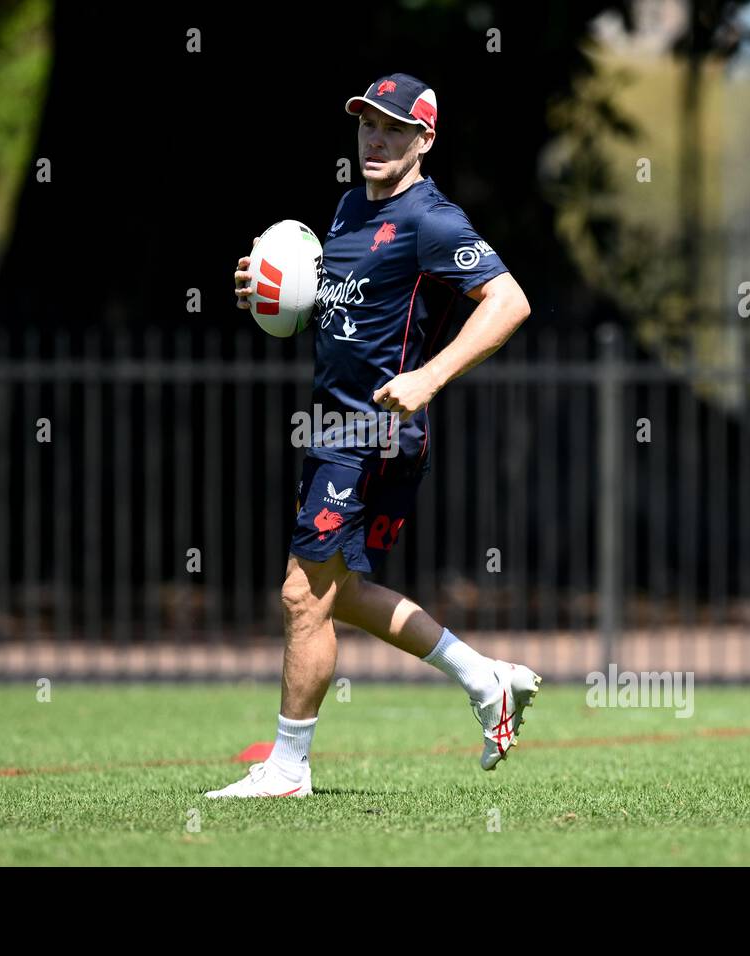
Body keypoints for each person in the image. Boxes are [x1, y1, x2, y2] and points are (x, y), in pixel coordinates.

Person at [210, 73, 537, 798]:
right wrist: (272, 294)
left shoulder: (433, 219)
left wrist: (429, 377)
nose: (376, 139)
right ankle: (485, 680)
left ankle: (288, 768)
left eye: (393, 128)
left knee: (302, 595)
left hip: (373, 429)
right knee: (341, 594)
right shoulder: (349, 206)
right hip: (339, 423)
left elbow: (509, 301)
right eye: (367, 125)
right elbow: (341, 307)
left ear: (425, 140)